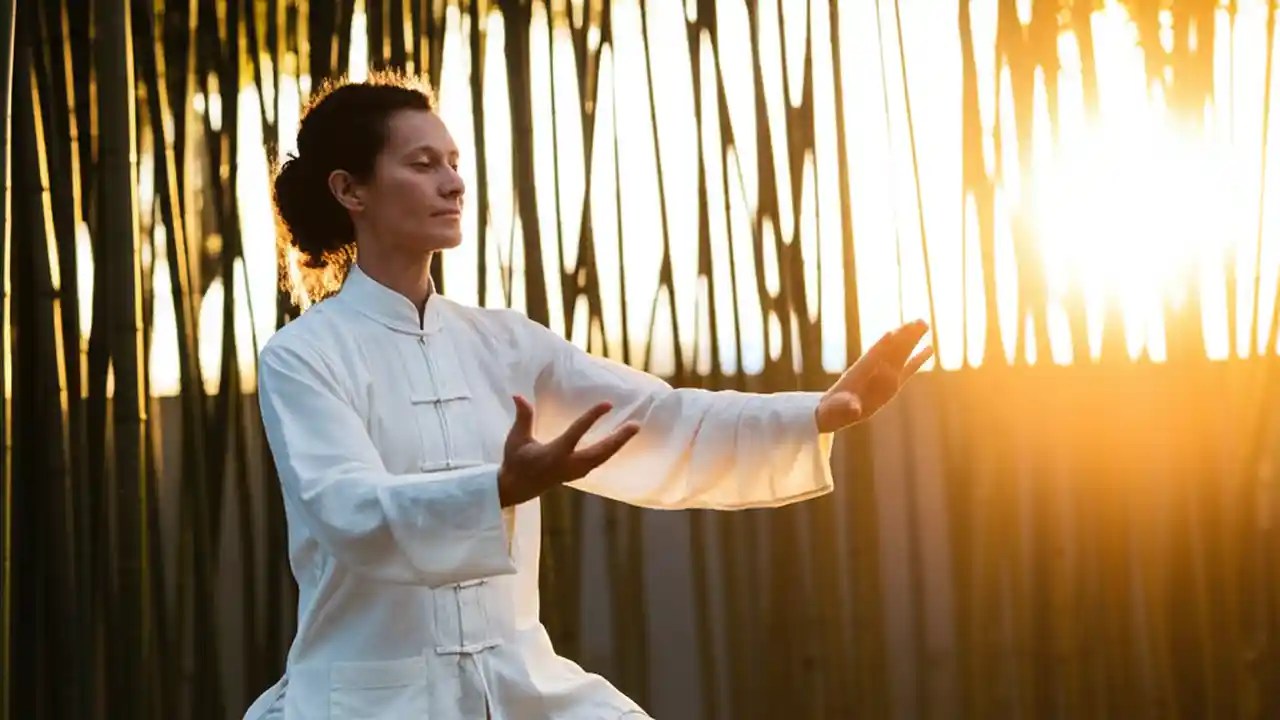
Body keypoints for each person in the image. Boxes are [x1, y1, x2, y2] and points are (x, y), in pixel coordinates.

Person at [244, 73, 932, 720]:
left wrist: (813, 412)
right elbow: (346, 508)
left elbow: (655, 417)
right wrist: (498, 488)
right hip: (367, 700)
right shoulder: (304, 357)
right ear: (350, 190)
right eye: (423, 165)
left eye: (453, 161)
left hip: (519, 688)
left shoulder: (507, 343)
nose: (454, 183)